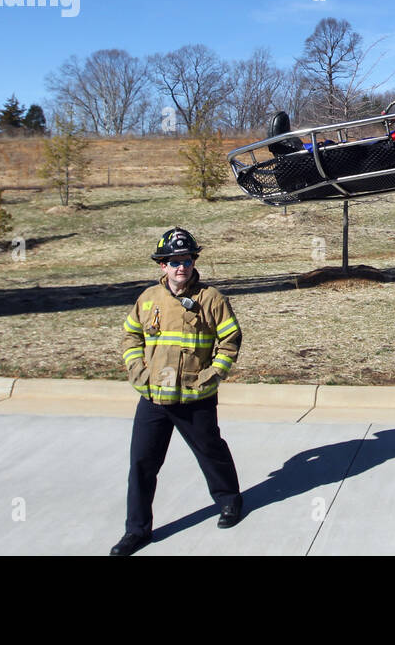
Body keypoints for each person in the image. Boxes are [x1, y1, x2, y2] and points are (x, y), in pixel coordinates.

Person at [109, 227, 243, 556]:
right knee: (141, 464)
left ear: (193, 261)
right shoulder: (148, 300)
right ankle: (136, 530)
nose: (180, 267)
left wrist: (212, 376)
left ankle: (230, 501)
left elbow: (230, 341)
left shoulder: (211, 299)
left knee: (211, 451)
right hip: (154, 397)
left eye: (185, 259)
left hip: (195, 397)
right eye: (173, 261)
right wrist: (137, 371)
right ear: (162, 266)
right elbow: (130, 337)